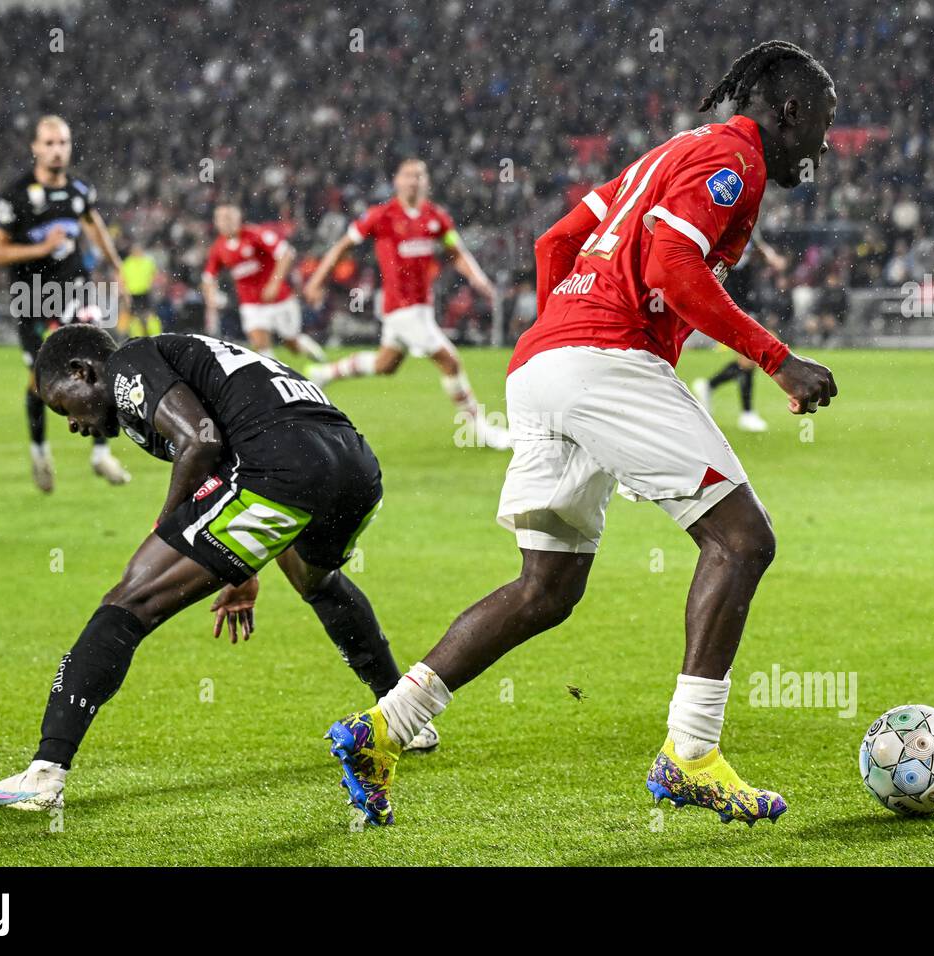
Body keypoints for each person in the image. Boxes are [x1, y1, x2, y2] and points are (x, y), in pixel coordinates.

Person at [325, 41, 839, 827]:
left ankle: (384, 727)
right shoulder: (736, 159)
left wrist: (559, 330)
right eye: (824, 125)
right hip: (604, 360)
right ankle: (691, 754)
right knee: (743, 541)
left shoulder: (669, 151)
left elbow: (553, 244)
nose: (826, 145)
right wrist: (778, 360)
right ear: (791, 110)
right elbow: (671, 267)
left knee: (546, 590)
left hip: (544, 365)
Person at [0, 326, 436, 812]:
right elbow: (230, 444)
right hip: (352, 466)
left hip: (280, 465)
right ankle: (403, 718)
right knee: (316, 580)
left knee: (130, 600)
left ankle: (44, 773)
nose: (71, 424)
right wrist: (238, 566)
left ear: (82, 372)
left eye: (64, 407)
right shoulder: (191, 354)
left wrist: (166, 528)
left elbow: (201, 439)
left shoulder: (128, 363)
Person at [303, 158, 509, 450]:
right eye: (408, 175)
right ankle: (481, 429)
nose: (414, 180)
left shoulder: (436, 218)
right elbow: (343, 246)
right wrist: (316, 280)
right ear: (397, 181)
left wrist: (478, 278)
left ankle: (324, 373)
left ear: (427, 182)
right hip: (403, 310)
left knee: (384, 364)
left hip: (417, 309)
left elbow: (457, 251)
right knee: (450, 362)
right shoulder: (380, 215)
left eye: (420, 176)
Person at [0, 115, 132, 492]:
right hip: (33, 298)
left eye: (63, 143)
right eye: (49, 143)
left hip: (76, 293)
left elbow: (93, 223)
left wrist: (117, 268)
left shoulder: (80, 190)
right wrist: (43, 247)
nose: (56, 150)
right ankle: (39, 451)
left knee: (101, 364)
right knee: (39, 381)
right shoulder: (16, 195)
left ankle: (101, 453)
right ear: (35, 147)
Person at [202, 203, 326, 362]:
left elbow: (286, 253)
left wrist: (274, 283)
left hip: (279, 299)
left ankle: (313, 352)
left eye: (229, 217)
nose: (226, 222)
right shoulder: (218, 248)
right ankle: (277, 379)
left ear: (238, 218)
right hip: (251, 304)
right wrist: (211, 296)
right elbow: (208, 277)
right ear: (216, 222)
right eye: (221, 218)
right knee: (260, 345)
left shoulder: (255, 235)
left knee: (291, 343)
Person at [692, 228, 788, 432]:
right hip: (732, 300)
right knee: (750, 358)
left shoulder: (747, 231)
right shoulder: (725, 234)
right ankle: (746, 413)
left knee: (751, 357)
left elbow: (760, 249)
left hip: (749, 299)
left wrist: (771, 258)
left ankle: (710, 386)